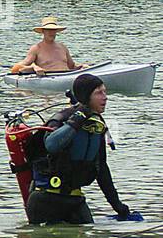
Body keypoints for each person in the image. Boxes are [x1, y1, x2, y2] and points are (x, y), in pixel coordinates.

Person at [25, 74, 132, 225]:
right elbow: (51, 145)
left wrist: (118, 206)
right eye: (99, 93)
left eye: (105, 92)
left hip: (75, 200)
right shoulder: (62, 118)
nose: (105, 97)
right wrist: (77, 120)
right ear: (85, 96)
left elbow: (101, 169)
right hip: (45, 200)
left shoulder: (96, 125)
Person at [10, 16, 88, 75]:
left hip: (66, 75)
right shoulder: (36, 48)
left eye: (53, 30)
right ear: (43, 31)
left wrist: (82, 66)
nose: (51, 33)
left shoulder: (62, 47)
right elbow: (16, 69)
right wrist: (33, 67)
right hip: (48, 79)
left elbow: (72, 67)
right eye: (49, 30)